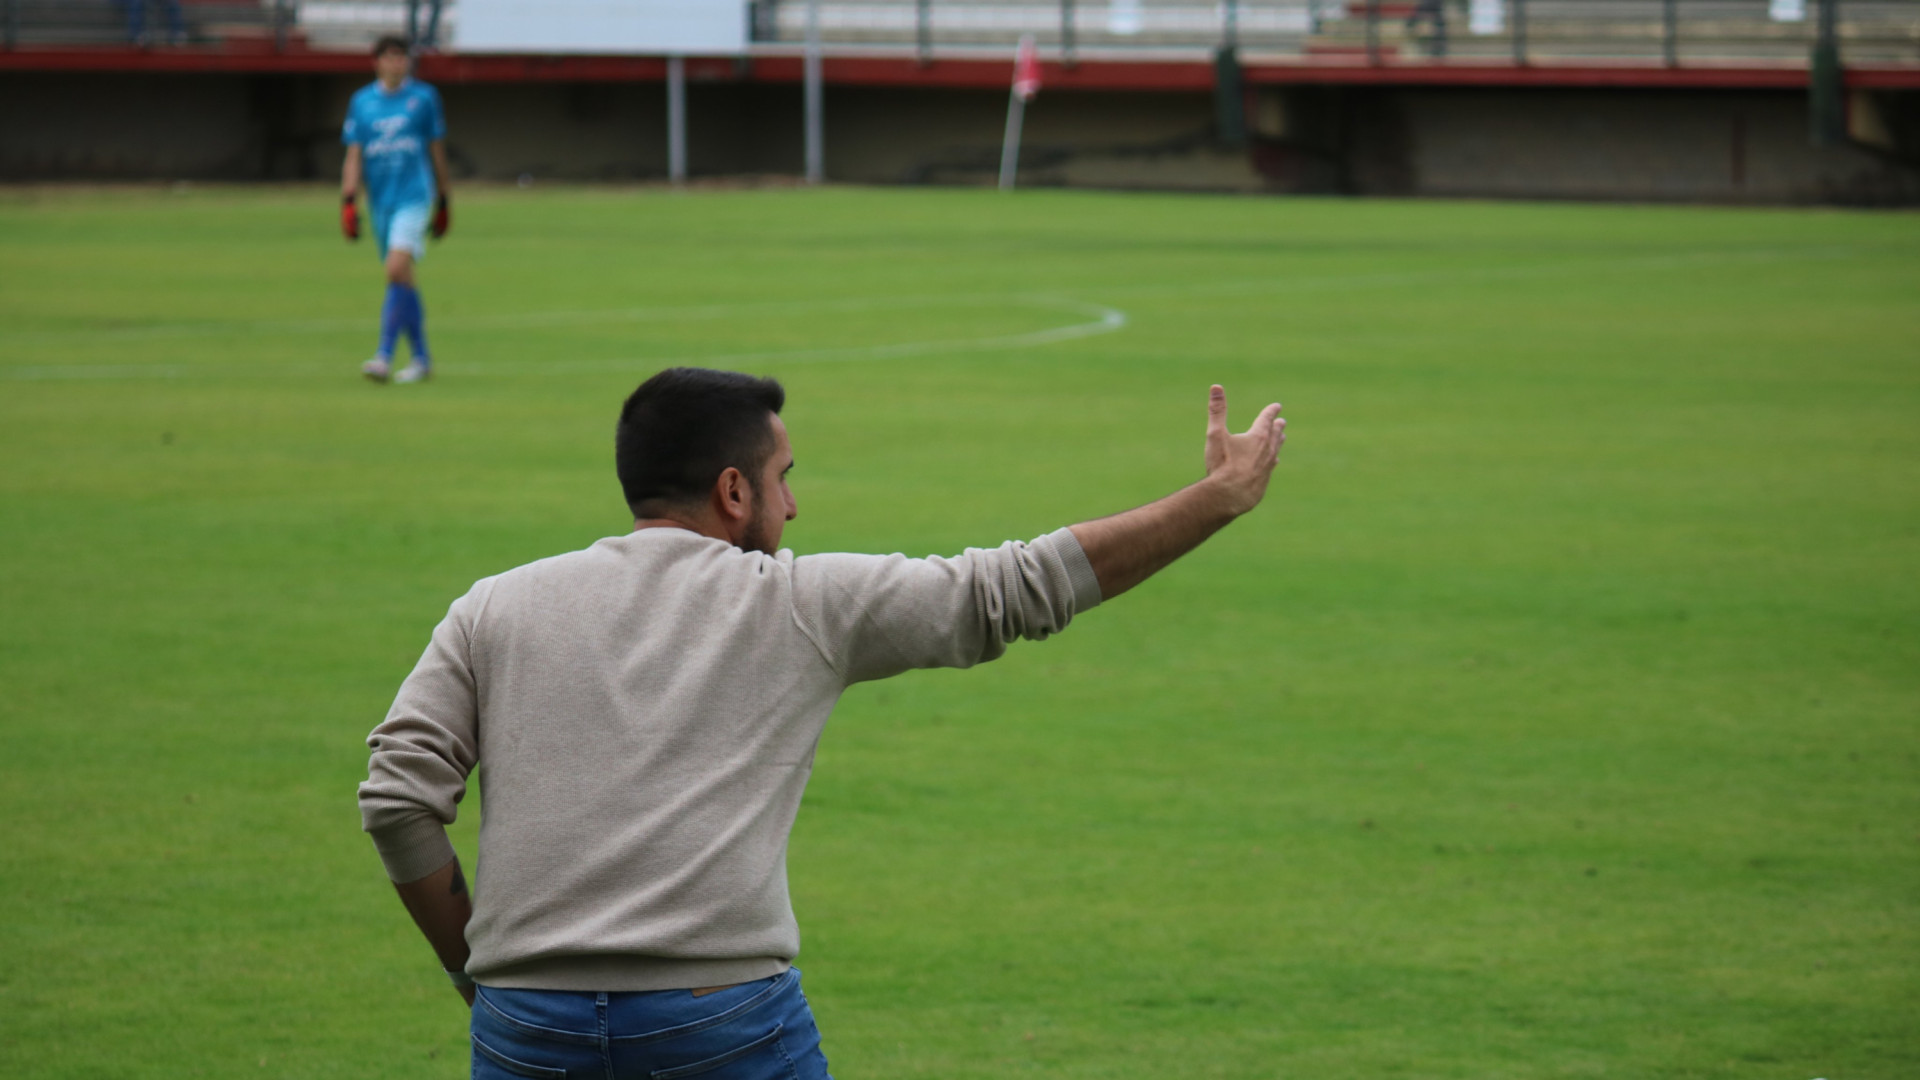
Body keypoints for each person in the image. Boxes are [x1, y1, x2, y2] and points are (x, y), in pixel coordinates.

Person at [358, 368, 1287, 1079]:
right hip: (716, 1020)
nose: (794, 504)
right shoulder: (795, 602)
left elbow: (398, 799)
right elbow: (1015, 588)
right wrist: (1216, 499)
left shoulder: (496, 605)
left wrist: (474, 972)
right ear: (733, 491)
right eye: (782, 477)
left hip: (526, 1028)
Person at [340, 35, 450, 385]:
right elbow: (354, 154)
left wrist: (444, 198)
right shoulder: (362, 102)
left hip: (415, 196)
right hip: (380, 202)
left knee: (395, 267)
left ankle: (384, 356)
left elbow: (436, 150)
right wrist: (348, 200)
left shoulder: (424, 99)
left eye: (402, 58)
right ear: (377, 62)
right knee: (403, 277)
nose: (396, 64)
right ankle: (421, 358)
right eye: (390, 58)